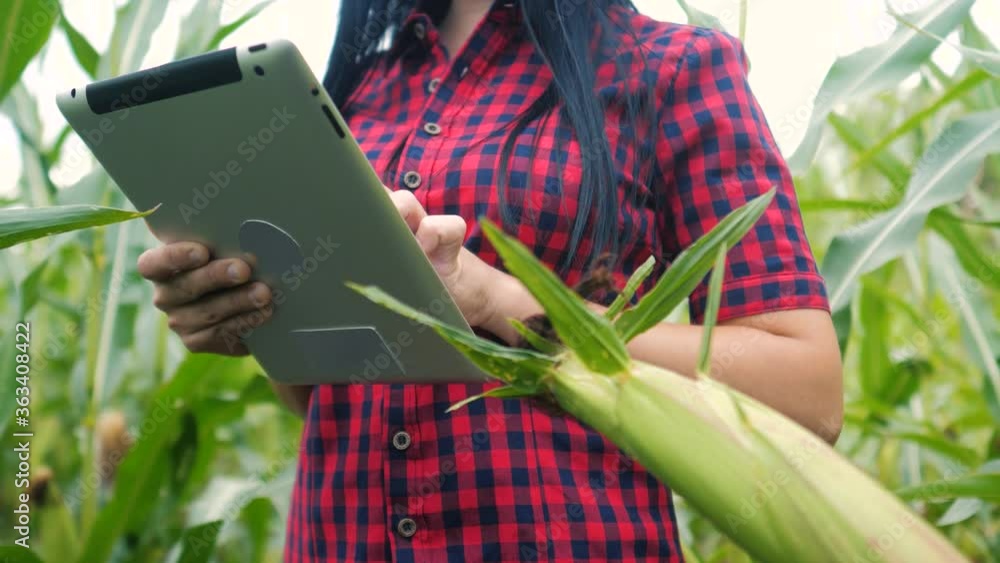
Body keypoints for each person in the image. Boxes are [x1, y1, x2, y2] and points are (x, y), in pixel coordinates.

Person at [137, 0, 843, 560]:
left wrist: (497, 299)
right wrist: (252, 312)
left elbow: (808, 394)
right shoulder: (352, 93)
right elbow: (317, 396)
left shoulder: (672, 68)